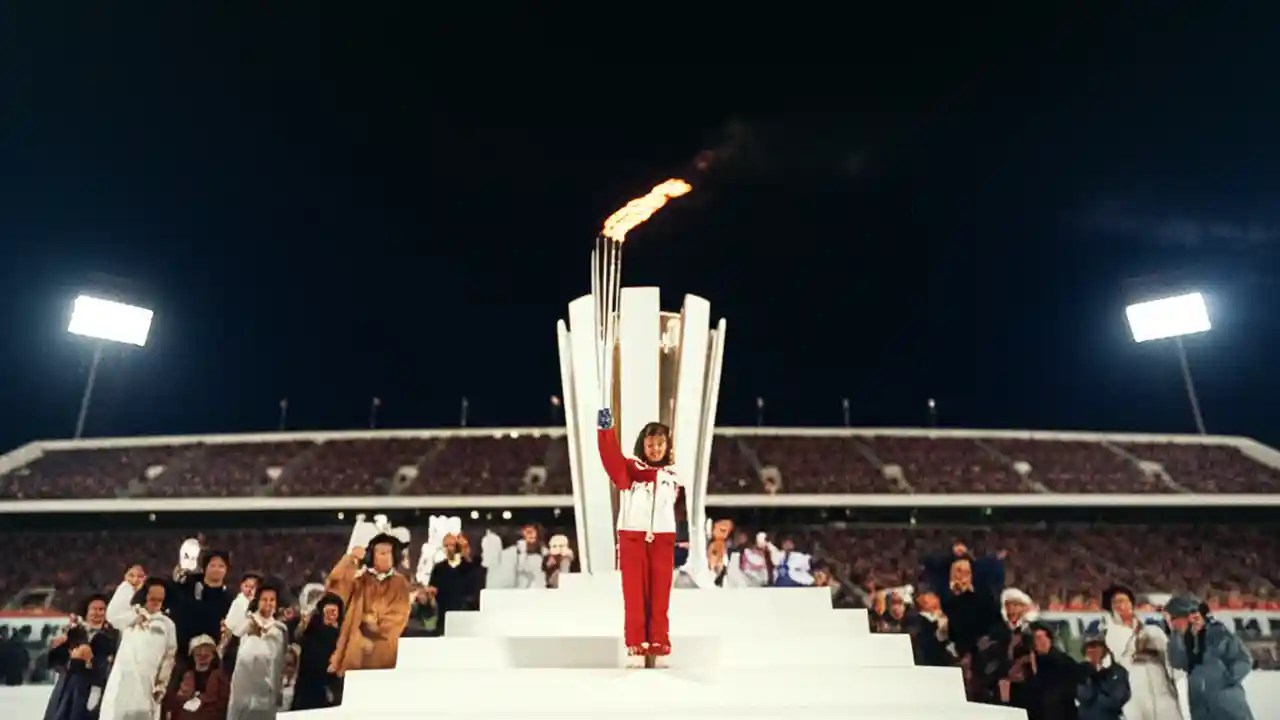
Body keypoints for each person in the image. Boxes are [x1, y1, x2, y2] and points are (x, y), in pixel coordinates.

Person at [596, 407, 684, 664]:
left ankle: (658, 645)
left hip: (663, 539)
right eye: (650, 444)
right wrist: (605, 431)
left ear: (667, 445)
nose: (655, 448)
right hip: (633, 537)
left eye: (660, 443)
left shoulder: (674, 475)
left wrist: (686, 546)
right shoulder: (631, 470)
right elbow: (610, 459)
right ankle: (636, 646)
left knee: (660, 596)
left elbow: (682, 511)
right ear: (642, 445)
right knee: (635, 594)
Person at [326, 530, 412, 675]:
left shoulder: (400, 583)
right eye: (381, 553)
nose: (386, 557)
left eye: (389, 553)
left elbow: (399, 616)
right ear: (372, 556)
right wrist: (350, 559)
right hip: (356, 653)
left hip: (385, 654)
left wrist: (374, 626)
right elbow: (335, 585)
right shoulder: (360, 580)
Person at [1093, 585, 1180, 720]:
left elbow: (1171, 661)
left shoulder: (1153, 631)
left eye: (1125, 601)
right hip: (1132, 695)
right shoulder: (1107, 634)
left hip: (1161, 691)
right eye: (1116, 602)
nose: (1122, 606)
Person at [1166, 594, 1255, 720]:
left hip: (1228, 704)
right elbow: (1177, 662)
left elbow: (1243, 659)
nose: (1171, 623)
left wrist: (1226, 680)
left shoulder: (1218, 632)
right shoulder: (1180, 641)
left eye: (1173, 618)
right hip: (1200, 707)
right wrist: (1178, 636)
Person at [100, 577, 178, 720]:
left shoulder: (167, 625)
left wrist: (161, 685)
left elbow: (169, 657)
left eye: (160, 600)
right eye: (152, 598)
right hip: (122, 682)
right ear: (145, 596)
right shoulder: (131, 616)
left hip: (148, 685)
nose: (156, 603)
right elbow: (112, 614)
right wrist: (128, 585)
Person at [44, 594, 120, 720]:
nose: (97, 612)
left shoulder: (112, 634)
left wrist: (90, 661)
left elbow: (112, 660)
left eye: (102, 609)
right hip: (69, 684)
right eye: (94, 609)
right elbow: (55, 661)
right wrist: (60, 648)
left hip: (96, 684)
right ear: (86, 610)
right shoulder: (73, 631)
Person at [228, 583, 288, 720]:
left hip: (267, 689)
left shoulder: (280, 630)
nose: (268, 603)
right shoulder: (247, 622)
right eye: (264, 599)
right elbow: (234, 639)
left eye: (272, 600)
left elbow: (280, 662)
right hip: (243, 687)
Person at [291, 593, 343, 711]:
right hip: (306, 685)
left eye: (334, 612)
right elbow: (297, 636)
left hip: (328, 686)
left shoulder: (340, 635)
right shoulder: (311, 628)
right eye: (327, 611)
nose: (330, 615)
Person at [161, 634, 230, 720]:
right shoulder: (183, 675)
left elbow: (224, 703)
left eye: (206, 655)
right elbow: (172, 702)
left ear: (213, 656)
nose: (202, 656)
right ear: (193, 655)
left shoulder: (220, 677)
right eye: (198, 655)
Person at [427, 533, 480, 636]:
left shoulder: (469, 568)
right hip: (443, 618)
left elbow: (473, 592)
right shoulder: (439, 569)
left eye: (451, 545)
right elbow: (433, 590)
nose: (449, 548)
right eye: (446, 545)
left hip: (465, 619)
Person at [1076, 634, 1131, 720]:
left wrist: (1101, 674)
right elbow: (1084, 696)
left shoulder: (1117, 671)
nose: (1092, 651)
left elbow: (1117, 699)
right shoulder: (1079, 671)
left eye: (1096, 646)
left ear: (1104, 649)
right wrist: (1090, 672)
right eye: (1089, 647)